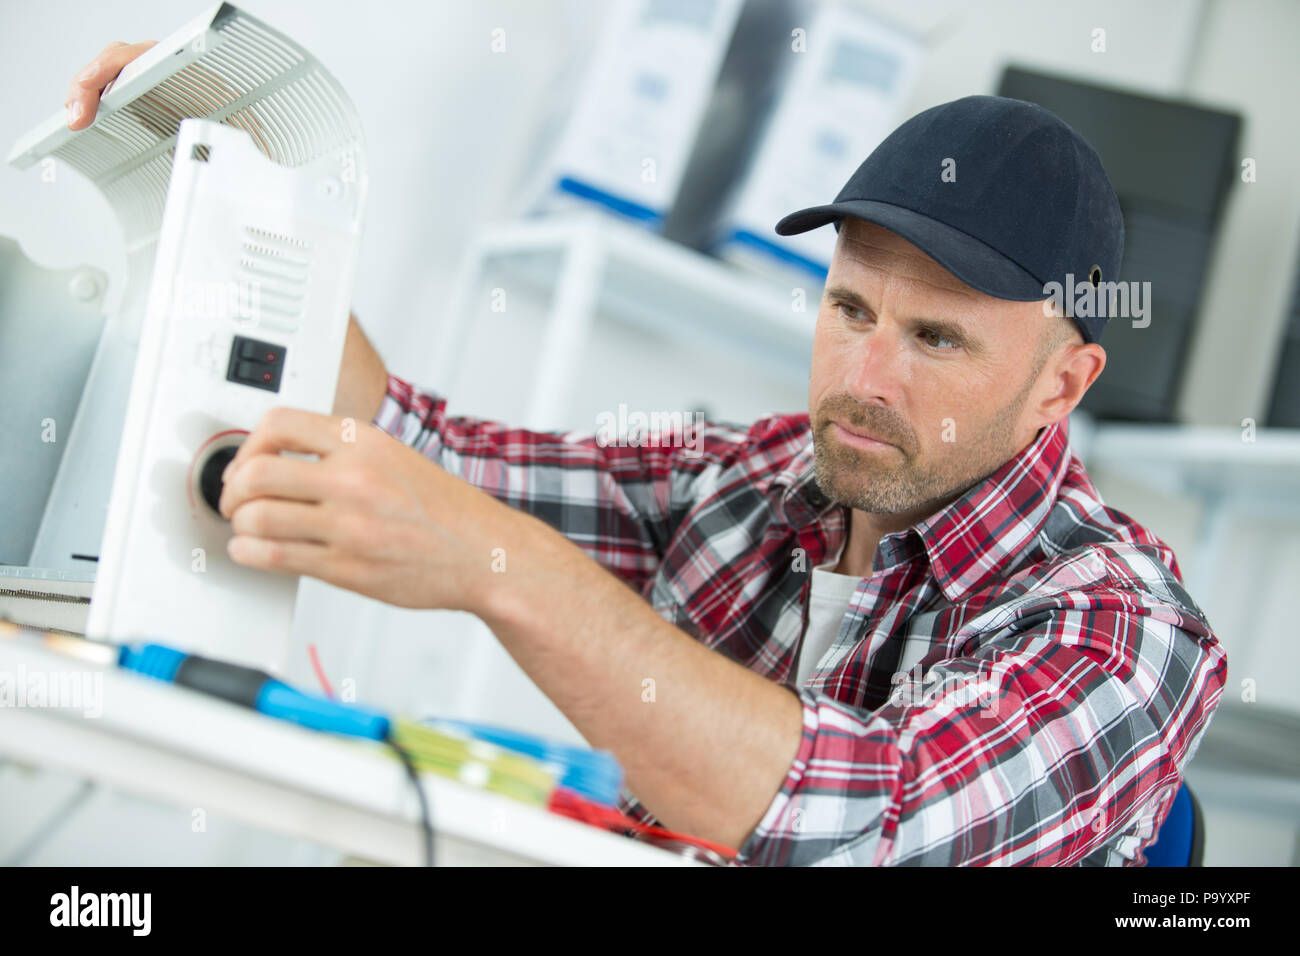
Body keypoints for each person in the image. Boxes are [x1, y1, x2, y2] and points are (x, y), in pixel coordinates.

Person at [64, 41, 1225, 866]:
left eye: (935, 337)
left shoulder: (1123, 628)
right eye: (851, 310)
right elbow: (414, 447)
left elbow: (860, 829)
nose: (866, 378)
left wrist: (501, 568)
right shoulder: (745, 479)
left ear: (1059, 385)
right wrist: (244, 189)